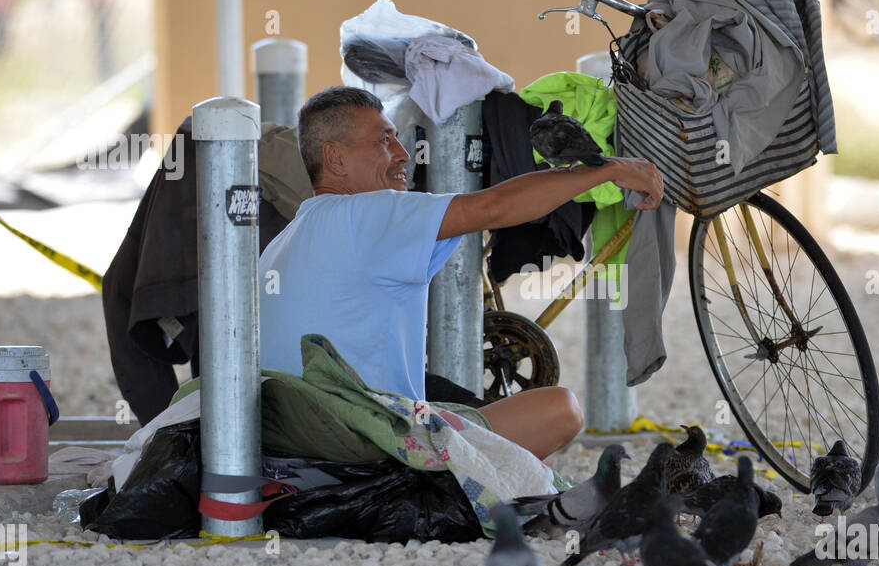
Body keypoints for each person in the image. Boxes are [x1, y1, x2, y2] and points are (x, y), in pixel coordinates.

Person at [259, 86, 663, 460]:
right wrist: (607, 171)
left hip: (296, 435)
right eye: (384, 140)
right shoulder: (368, 212)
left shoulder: (286, 238)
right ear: (334, 158)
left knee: (448, 396)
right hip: (361, 441)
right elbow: (492, 208)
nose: (402, 153)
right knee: (561, 409)